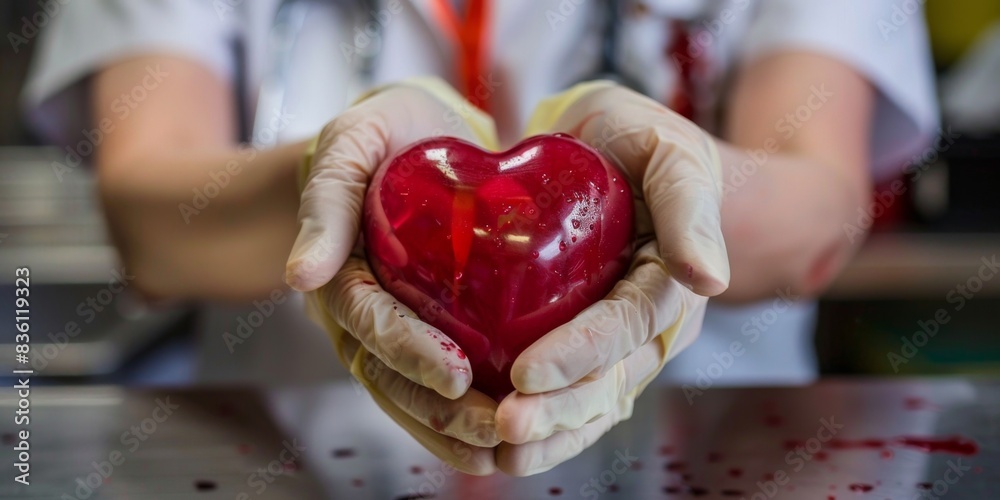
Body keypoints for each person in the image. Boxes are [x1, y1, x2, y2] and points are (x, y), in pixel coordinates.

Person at [23, 0, 937, 476]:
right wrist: (331, 178)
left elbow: (822, 212)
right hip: (295, 468)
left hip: (705, 461)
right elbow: (150, 223)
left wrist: (670, 180)